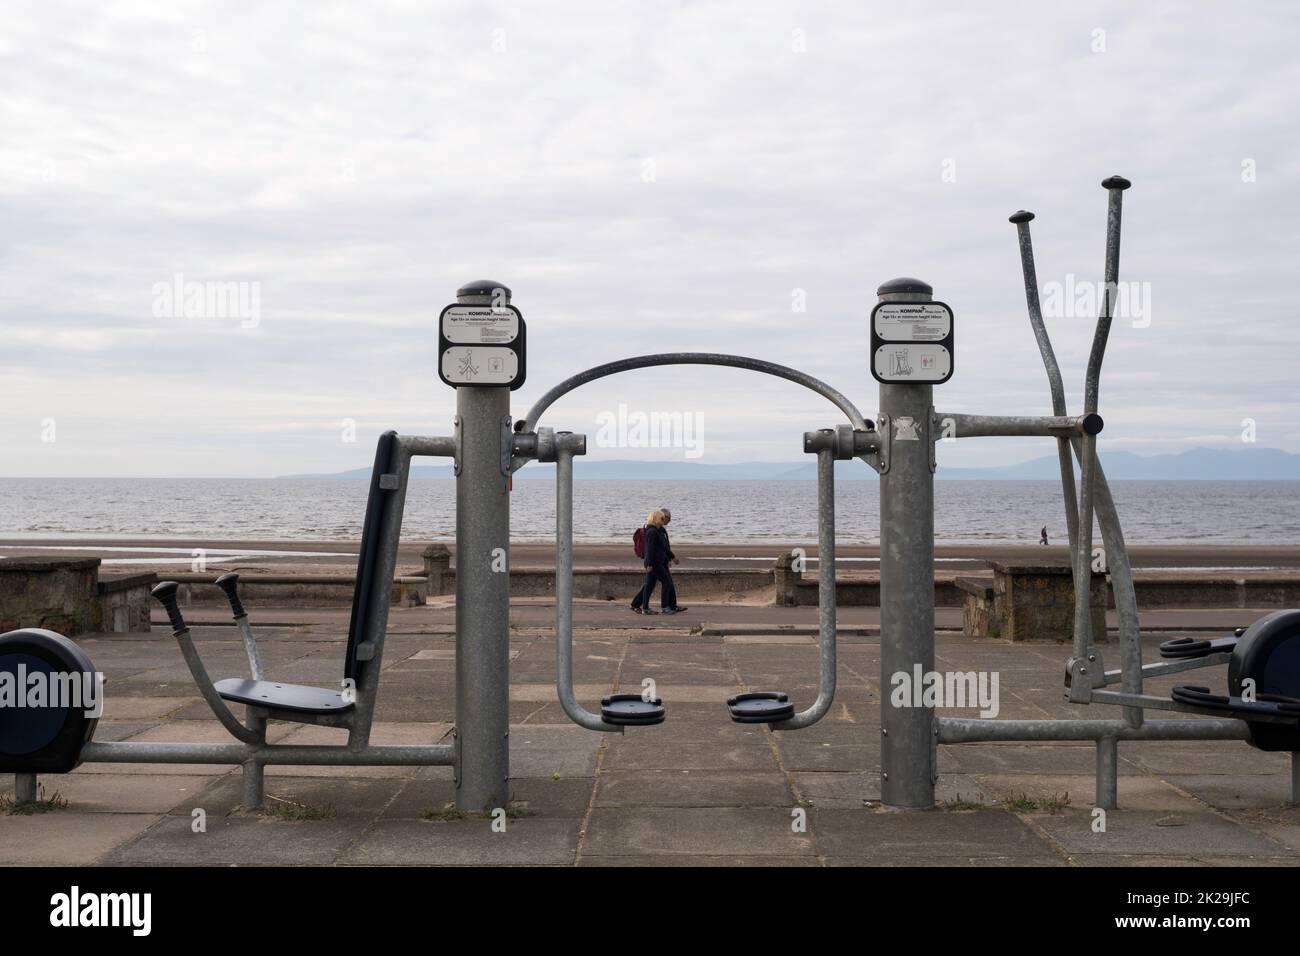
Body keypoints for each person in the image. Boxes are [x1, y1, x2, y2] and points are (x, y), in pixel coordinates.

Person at [631, 508, 686, 614]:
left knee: (650, 584)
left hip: (660, 561)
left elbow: (665, 547)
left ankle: (644, 607)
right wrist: (649, 564)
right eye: (664, 518)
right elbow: (650, 550)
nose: (667, 521)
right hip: (655, 563)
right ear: (657, 518)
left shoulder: (660, 530)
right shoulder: (652, 531)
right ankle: (665, 607)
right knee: (665, 582)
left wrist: (672, 558)